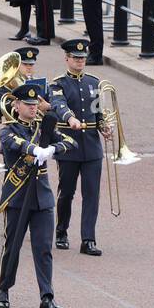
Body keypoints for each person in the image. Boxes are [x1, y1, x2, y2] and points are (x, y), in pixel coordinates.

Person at [0, 83, 70, 308]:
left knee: (43, 249)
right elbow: (13, 144)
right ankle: (4, 290)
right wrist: (34, 149)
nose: (32, 108)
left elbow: (69, 141)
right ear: (16, 106)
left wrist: (53, 149)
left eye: (34, 103)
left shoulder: (44, 127)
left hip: (42, 198)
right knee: (13, 246)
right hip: (18, 197)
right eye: (27, 104)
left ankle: (47, 298)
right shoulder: (9, 129)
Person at [48, 38, 111, 256]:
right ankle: (62, 230)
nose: (80, 61)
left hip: (92, 147)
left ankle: (88, 239)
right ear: (67, 59)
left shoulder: (93, 82)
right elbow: (58, 105)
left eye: (82, 58)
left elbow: (98, 110)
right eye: (76, 58)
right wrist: (70, 118)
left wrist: (104, 126)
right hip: (69, 146)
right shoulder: (58, 84)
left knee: (91, 194)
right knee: (66, 193)